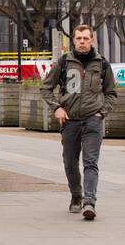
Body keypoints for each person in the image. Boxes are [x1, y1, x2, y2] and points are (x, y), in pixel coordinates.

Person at [40, 24, 118, 220]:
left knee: (90, 162)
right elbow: (46, 88)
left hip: (93, 120)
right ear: (73, 41)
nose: (82, 42)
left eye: (85, 38)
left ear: (92, 40)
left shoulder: (102, 64)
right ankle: (76, 194)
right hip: (70, 121)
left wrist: (102, 112)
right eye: (78, 38)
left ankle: (89, 202)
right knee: (70, 162)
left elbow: (111, 93)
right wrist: (57, 108)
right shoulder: (64, 62)